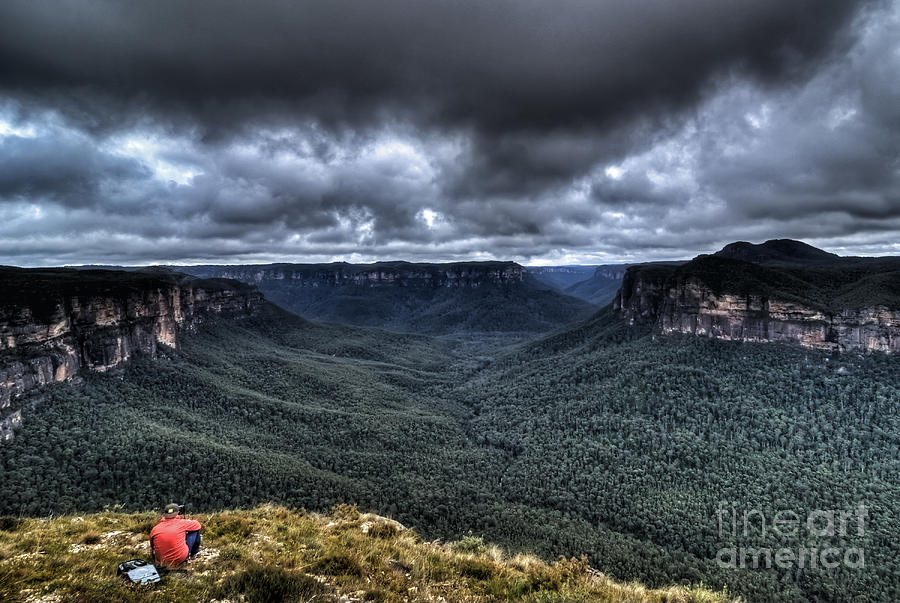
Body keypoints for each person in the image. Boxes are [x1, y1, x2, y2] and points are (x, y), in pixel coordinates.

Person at [149, 503, 202, 567]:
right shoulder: (182, 523)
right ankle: (193, 555)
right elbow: (198, 525)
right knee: (195, 531)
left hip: (161, 561)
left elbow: (152, 547)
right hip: (179, 559)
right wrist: (185, 520)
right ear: (177, 513)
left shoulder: (155, 529)